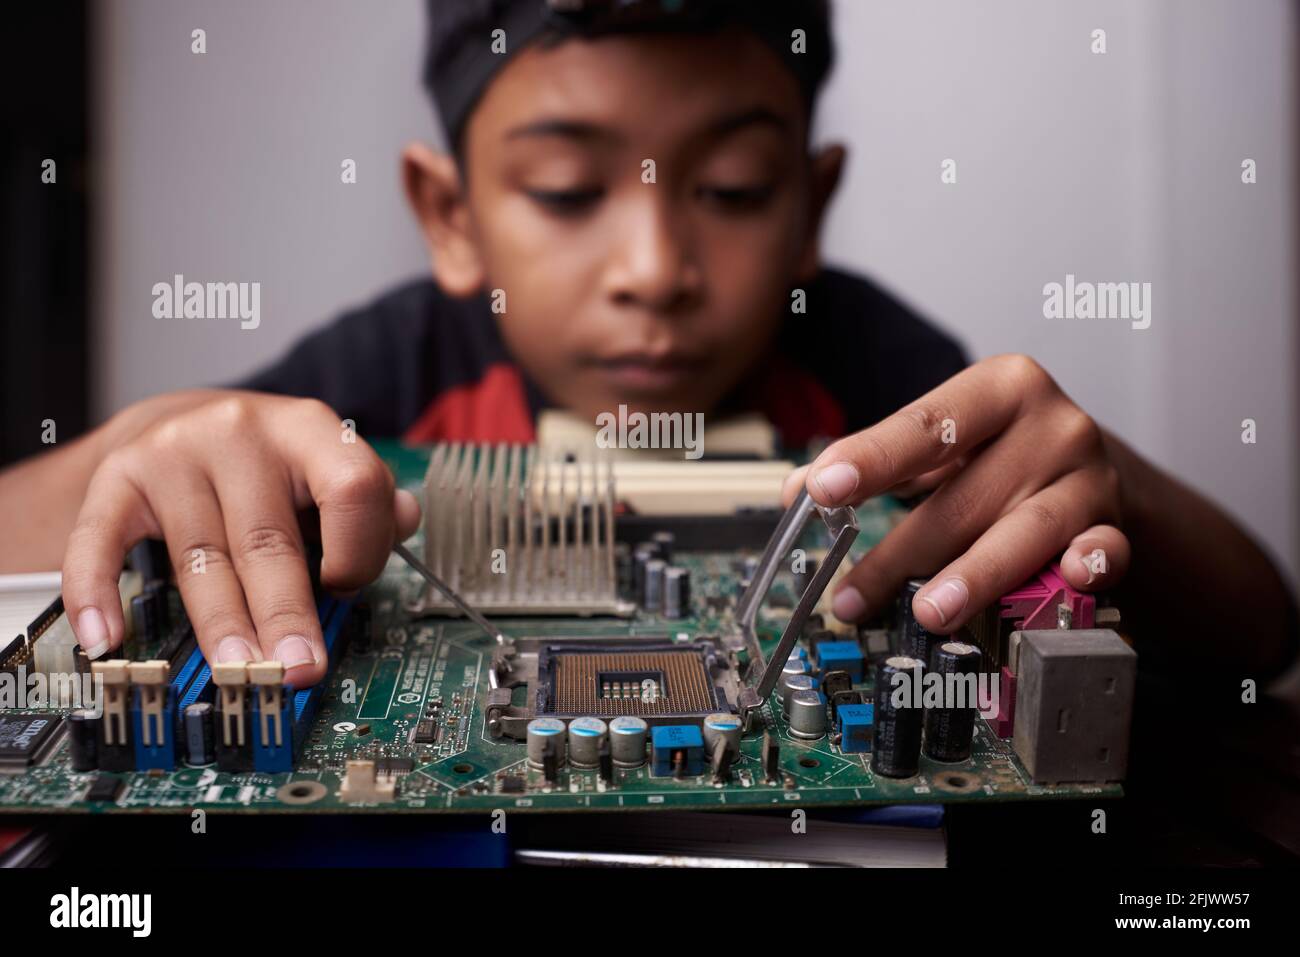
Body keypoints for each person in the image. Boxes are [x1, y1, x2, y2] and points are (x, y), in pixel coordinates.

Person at [0, 0, 1293, 690]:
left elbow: (1262, 631)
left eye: (730, 190)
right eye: (567, 192)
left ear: (812, 207)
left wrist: (1097, 478)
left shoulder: (879, 376)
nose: (657, 272)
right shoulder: (368, 383)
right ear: (448, 215)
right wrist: (130, 455)